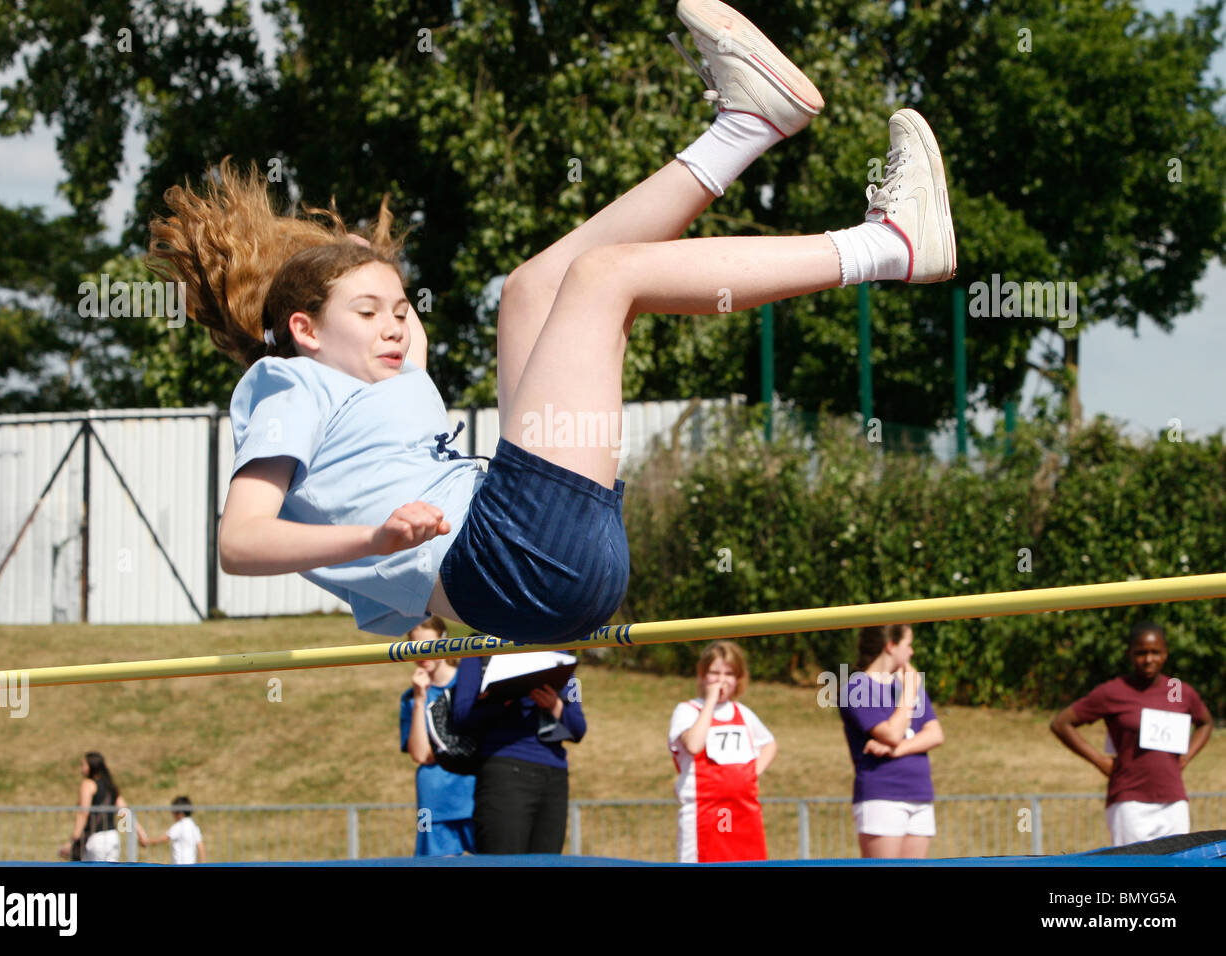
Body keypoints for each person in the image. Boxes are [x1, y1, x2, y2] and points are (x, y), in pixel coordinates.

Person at [149, 0, 957, 647]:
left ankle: (744, 128)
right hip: (509, 562)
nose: (399, 327)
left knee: (531, 288)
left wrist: (360, 275)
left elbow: (375, 289)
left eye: (402, 310)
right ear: (304, 331)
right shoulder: (286, 382)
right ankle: (886, 245)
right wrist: (376, 538)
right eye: (370, 314)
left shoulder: (385, 385)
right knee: (607, 280)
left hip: (549, 554)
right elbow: (240, 542)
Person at [1050, 621, 1212, 846]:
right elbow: (1061, 723)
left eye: (1155, 652)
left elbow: (1205, 723)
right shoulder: (1113, 691)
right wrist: (1101, 762)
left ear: (1165, 653)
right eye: (1141, 653)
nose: (1148, 659)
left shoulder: (1178, 690)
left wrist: (1186, 757)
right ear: (1129, 654)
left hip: (1173, 800)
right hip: (1130, 800)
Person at [450, 655, 585, 854]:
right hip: (504, 771)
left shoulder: (561, 653)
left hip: (554, 775)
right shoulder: (479, 649)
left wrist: (555, 706)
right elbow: (461, 716)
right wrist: (504, 698)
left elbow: (579, 728)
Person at [838, 624, 944, 859]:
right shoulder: (857, 688)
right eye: (908, 644)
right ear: (890, 646)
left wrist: (896, 751)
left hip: (919, 794)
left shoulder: (908, 684)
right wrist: (909, 692)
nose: (912, 652)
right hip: (883, 795)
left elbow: (935, 734)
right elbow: (892, 733)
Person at [668, 640, 776, 862]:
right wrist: (709, 702)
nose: (721, 680)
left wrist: (751, 773)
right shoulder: (688, 711)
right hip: (702, 813)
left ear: (738, 679)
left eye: (728, 674)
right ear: (702, 675)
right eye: (714, 673)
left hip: (742, 811)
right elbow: (694, 745)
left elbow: (769, 744)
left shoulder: (743, 713)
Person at [399, 616, 476, 856]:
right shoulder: (411, 698)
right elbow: (422, 754)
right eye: (416, 649)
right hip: (436, 800)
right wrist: (420, 699)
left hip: (474, 792)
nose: (423, 656)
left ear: (444, 641)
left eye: (429, 647)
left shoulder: (472, 680)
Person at [58, 752, 143, 862]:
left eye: (83, 764)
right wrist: (141, 833)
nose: (81, 768)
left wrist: (74, 839)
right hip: (113, 837)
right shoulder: (110, 786)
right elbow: (125, 811)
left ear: (92, 766)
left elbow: (83, 813)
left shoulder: (88, 784)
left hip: (96, 839)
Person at [140, 796, 207, 864]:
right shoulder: (194, 826)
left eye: (173, 811)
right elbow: (201, 847)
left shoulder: (179, 826)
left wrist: (147, 841)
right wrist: (202, 865)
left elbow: (164, 839)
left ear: (179, 812)